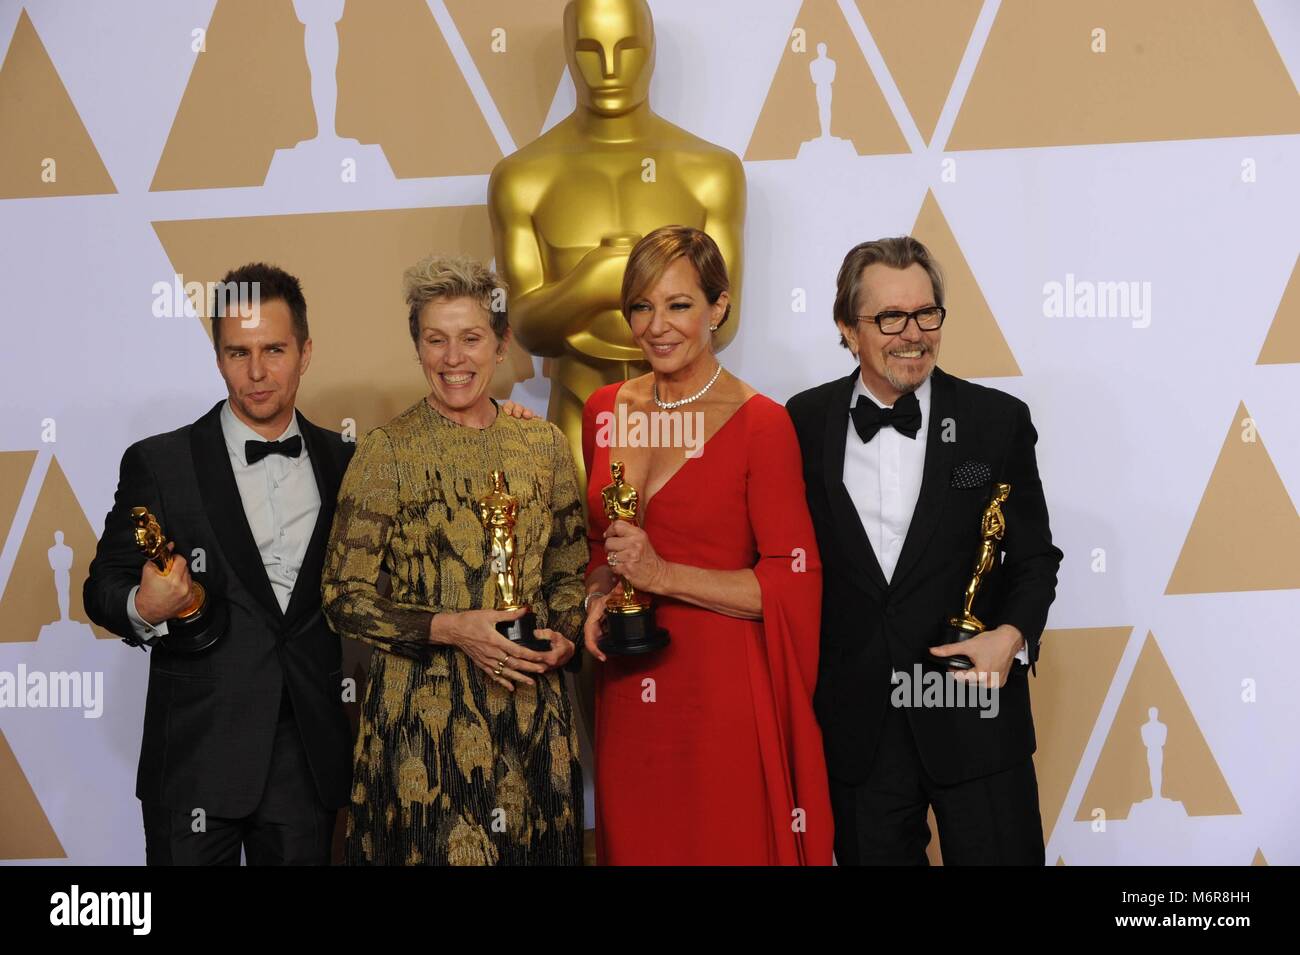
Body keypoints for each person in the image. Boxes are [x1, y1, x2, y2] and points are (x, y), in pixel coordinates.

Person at [786, 236, 1063, 865]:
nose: (913, 334)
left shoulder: (997, 421)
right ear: (846, 328)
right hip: (860, 728)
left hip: (973, 713)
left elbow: (1034, 558)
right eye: (889, 318)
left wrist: (1012, 636)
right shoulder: (800, 423)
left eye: (926, 313)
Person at [83, 262, 354, 865]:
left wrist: (502, 417)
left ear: (305, 352)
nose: (257, 373)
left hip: (305, 759)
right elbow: (103, 586)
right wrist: (143, 606)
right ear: (217, 356)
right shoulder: (161, 462)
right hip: (195, 758)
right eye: (238, 352)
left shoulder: (348, 463)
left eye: (274, 350)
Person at [321, 255, 586, 866]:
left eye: (470, 338)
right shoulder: (386, 451)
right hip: (422, 723)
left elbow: (571, 568)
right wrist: (451, 628)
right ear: (417, 347)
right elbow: (342, 597)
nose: (453, 358)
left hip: (530, 714)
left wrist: (565, 638)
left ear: (501, 344)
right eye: (435, 340)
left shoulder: (542, 444)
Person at [580, 225, 833, 865]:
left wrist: (662, 574)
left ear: (719, 308)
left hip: (723, 695)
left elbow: (789, 580)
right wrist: (596, 597)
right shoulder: (605, 410)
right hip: (630, 694)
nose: (657, 326)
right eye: (641, 306)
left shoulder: (762, 423)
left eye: (679, 304)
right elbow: (599, 547)